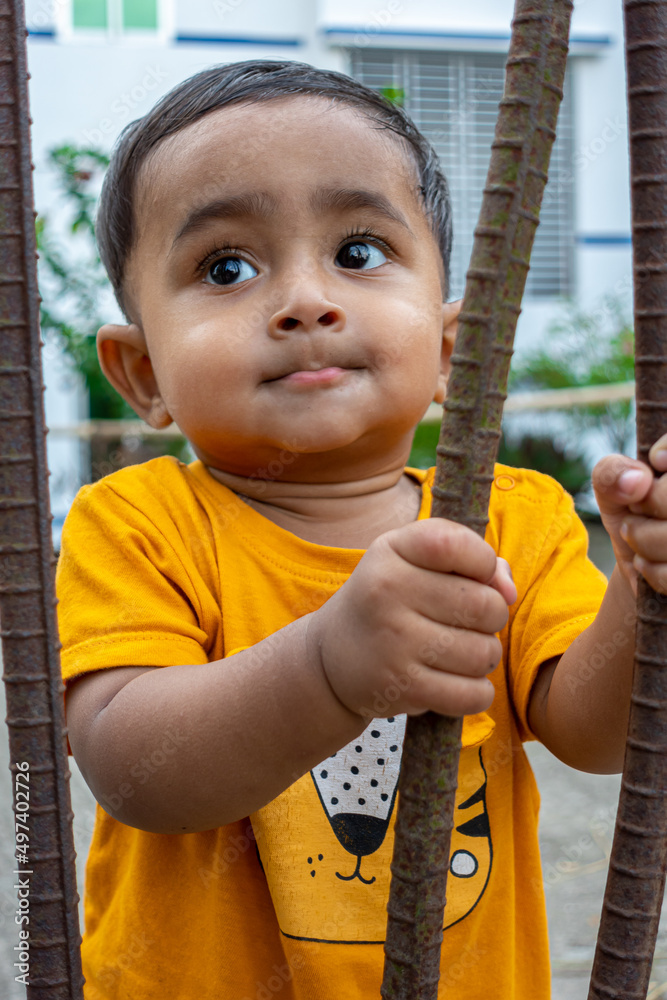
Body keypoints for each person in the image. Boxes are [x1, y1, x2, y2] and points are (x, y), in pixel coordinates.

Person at [57, 59, 667, 1000]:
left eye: (356, 252)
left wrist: (640, 585)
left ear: (451, 353)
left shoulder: (516, 516)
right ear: (140, 374)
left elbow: (593, 734)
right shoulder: (137, 523)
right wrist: (330, 668)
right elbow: (135, 772)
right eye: (227, 266)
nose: (306, 300)